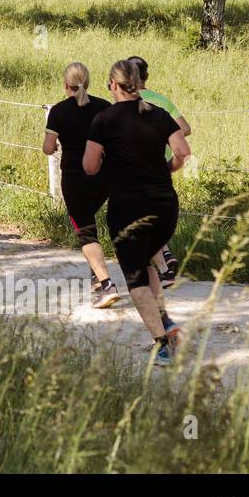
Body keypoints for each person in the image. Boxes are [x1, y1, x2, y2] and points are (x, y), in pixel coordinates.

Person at [83, 61, 191, 365]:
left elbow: (90, 167)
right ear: (138, 83)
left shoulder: (104, 119)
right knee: (148, 265)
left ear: (114, 85)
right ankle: (166, 322)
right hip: (165, 205)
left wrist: (112, 167)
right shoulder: (158, 114)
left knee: (136, 279)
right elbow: (183, 152)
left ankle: (163, 345)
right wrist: (167, 168)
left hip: (128, 207)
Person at [43, 63, 119, 308]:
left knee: (85, 231)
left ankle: (108, 285)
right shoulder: (105, 107)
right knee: (89, 223)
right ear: (88, 82)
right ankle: (96, 275)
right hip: (104, 176)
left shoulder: (58, 112)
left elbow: (47, 147)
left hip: (75, 177)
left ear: (66, 85)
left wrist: (56, 145)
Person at [127, 55, 191, 287]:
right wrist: (164, 137)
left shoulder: (124, 101)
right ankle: (164, 256)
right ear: (146, 75)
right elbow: (185, 128)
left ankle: (163, 262)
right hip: (162, 164)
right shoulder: (160, 100)